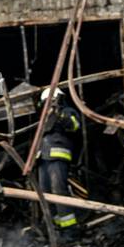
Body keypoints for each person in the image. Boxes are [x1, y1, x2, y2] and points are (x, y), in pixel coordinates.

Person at [34, 86, 82, 238]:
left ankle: (70, 230)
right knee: (45, 192)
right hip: (43, 157)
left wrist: (60, 115)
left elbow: (74, 125)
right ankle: (55, 226)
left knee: (58, 191)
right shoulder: (45, 117)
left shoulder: (67, 111)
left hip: (58, 156)